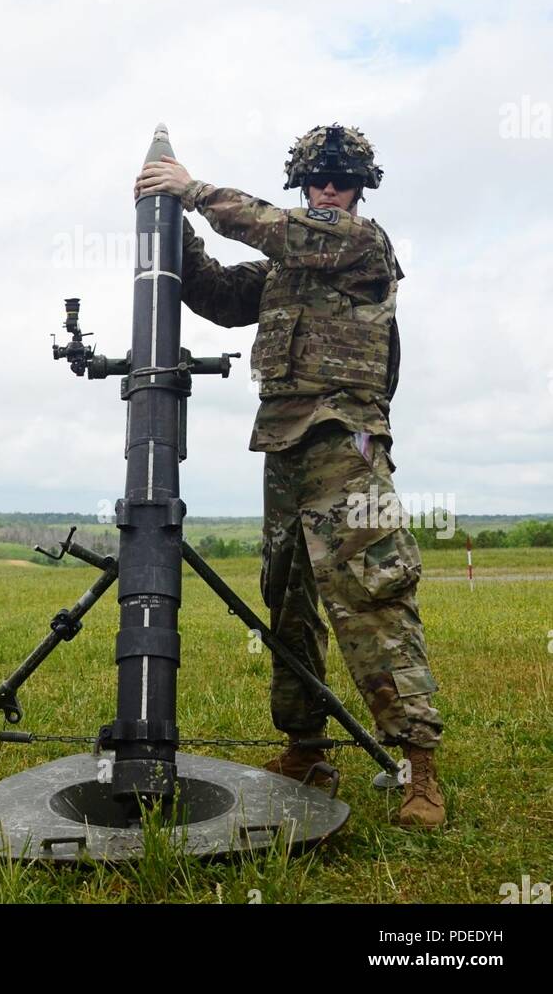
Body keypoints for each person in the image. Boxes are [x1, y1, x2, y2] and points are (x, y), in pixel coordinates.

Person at [134, 124, 445, 828]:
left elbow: (281, 231)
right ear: (302, 182)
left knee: (372, 597)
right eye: (318, 178)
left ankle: (420, 770)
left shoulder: (359, 244)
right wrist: (172, 219)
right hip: (283, 450)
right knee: (290, 600)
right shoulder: (285, 267)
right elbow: (214, 294)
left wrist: (197, 191)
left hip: (346, 447)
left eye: (341, 178)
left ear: (361, 188)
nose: (329, 188)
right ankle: (305, 749)